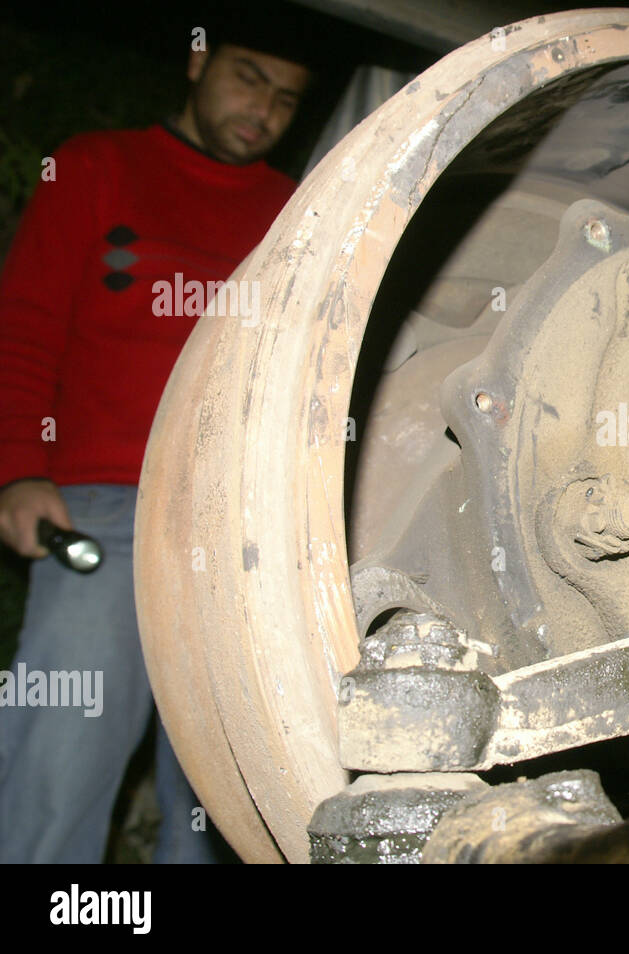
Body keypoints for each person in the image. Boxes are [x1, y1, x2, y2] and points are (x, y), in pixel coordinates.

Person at [0, 27, 312, 862]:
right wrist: (19, 471)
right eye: (250, 79)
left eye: (286, 97)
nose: (265, 110)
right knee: (58, 762)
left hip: (234, 529)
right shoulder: (96, 167)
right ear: (197, 59)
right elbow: (25, 326)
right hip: (101, 510)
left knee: (227, 795)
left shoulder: (295, 209)